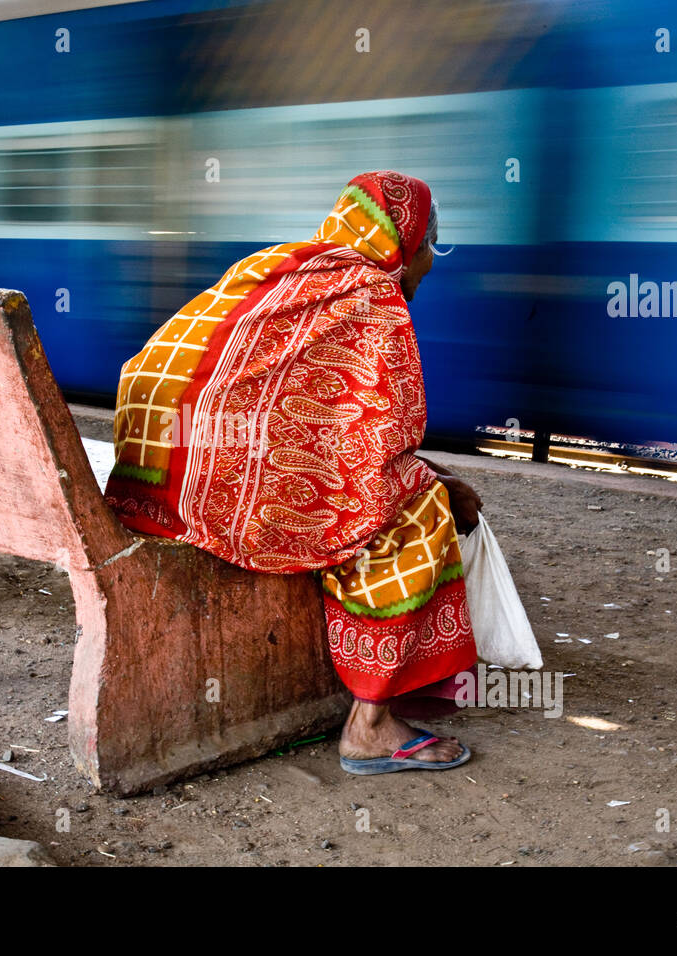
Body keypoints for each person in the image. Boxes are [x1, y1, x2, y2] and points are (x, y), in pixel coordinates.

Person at [104, 171, 483, 774]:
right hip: (204, 499)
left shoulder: (285, 262)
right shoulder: (370, 296)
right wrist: (440, 485)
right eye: (431, 249)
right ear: (406, 243)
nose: (431, 268)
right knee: (413, 507)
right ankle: (371, 725)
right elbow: (383, 451)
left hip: (146, 484)